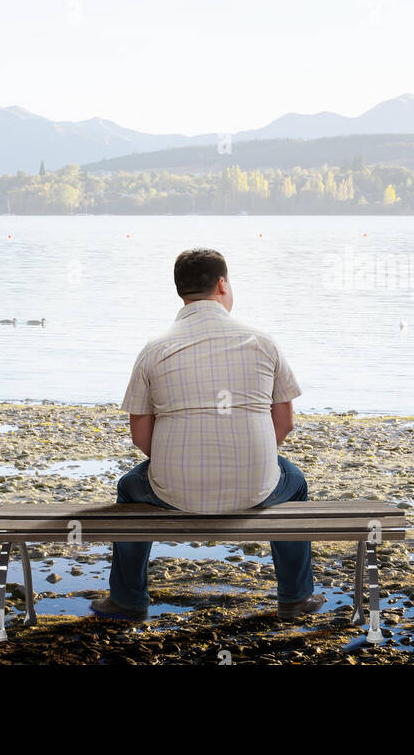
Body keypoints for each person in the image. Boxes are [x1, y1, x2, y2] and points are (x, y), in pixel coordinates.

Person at [89, 248, 323, 622]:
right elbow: (285, 422)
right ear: (222, 284)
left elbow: (139, 433)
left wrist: (167, 462)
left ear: (180, 291)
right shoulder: (263, 342)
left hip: (171, 491)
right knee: (294, 483)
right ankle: (295, 599)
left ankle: (128, 601)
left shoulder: (154, 348)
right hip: (256, 487)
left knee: (129, 488)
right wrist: (257, 457)